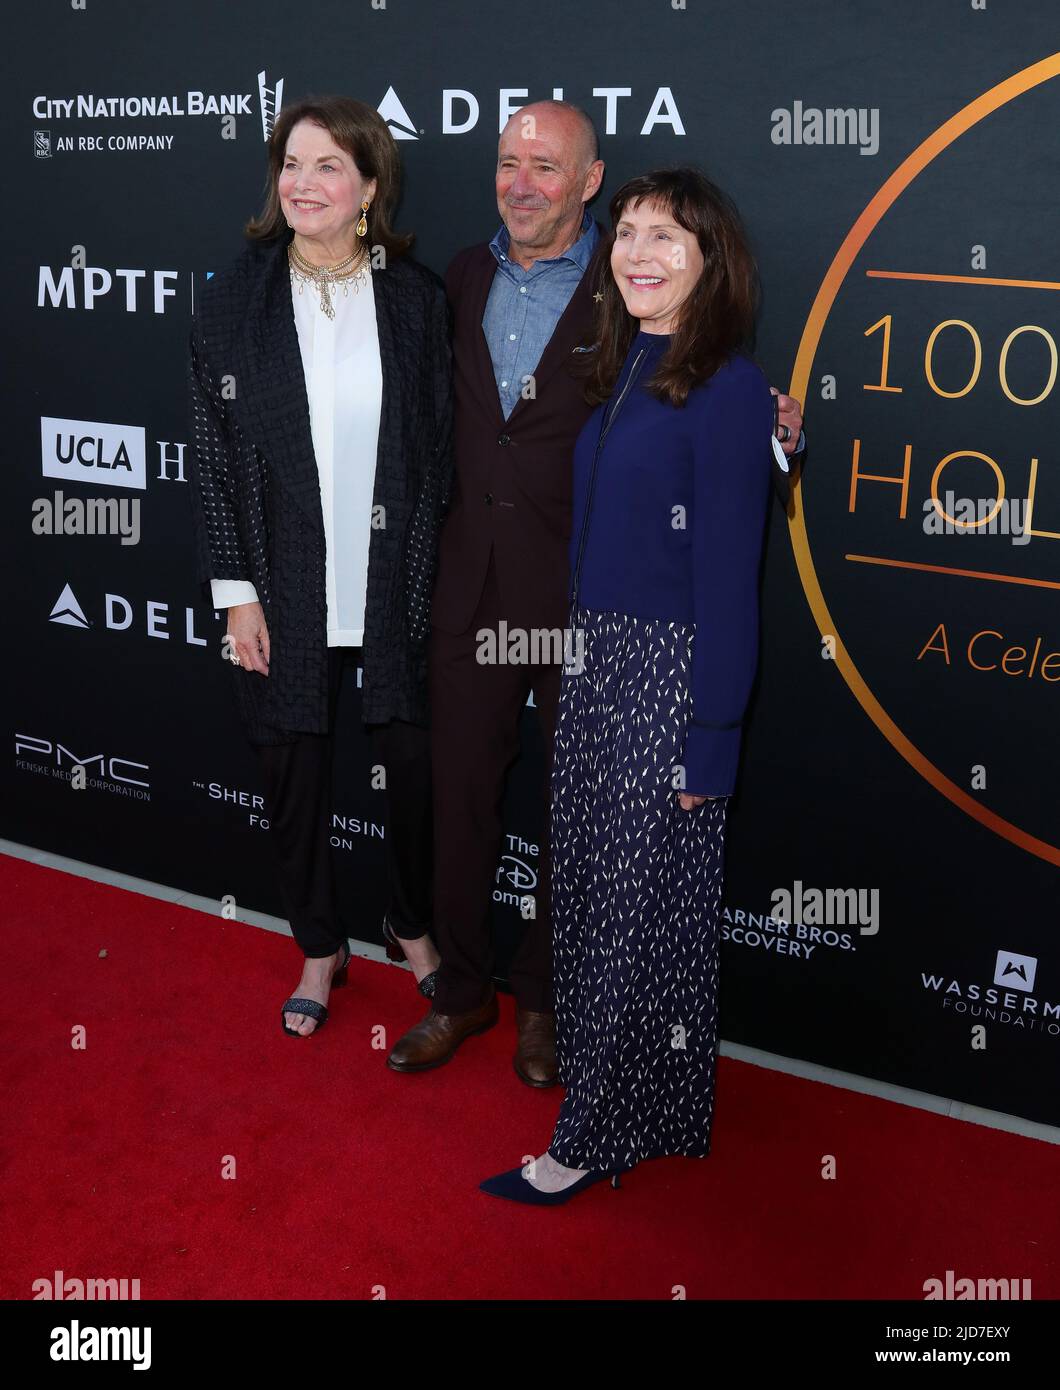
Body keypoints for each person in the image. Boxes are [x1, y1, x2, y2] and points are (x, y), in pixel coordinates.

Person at [387, 103, 802, 1084]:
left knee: (572, 819)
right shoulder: (461, 275)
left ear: (588, 180)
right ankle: (461, 991)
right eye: (508, 163)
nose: (521, 183)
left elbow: (694, 398)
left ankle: (544, 1001)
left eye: (547, 165)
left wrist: (776, 428)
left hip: (585, 605)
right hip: (468, 590)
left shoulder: (627, 287)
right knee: (459, 803)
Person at [480, 166, 776, 1204]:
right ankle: (662, 1110)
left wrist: (711, 735)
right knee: (630, 915)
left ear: (710, 261)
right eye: (629, 233)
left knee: (631, 921)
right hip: (599, 663)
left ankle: (588, 1140)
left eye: (666, 238)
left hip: (668, 680)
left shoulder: (729, 389)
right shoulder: (629, 359)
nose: (639, 254)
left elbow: (730, 580)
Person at [186, 96, 452, 1035]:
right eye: (291, 165)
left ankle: (409, 923)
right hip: (282, 579)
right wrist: (237, 594)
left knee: (413, 768)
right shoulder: (233, 300)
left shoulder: (415, 301)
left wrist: (424, 579)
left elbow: (437, 453)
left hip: (389, 581)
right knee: (292, 776)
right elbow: (213, 460)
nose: (303, 183)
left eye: (328, 166)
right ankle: (318, 945)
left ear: (369, 186)